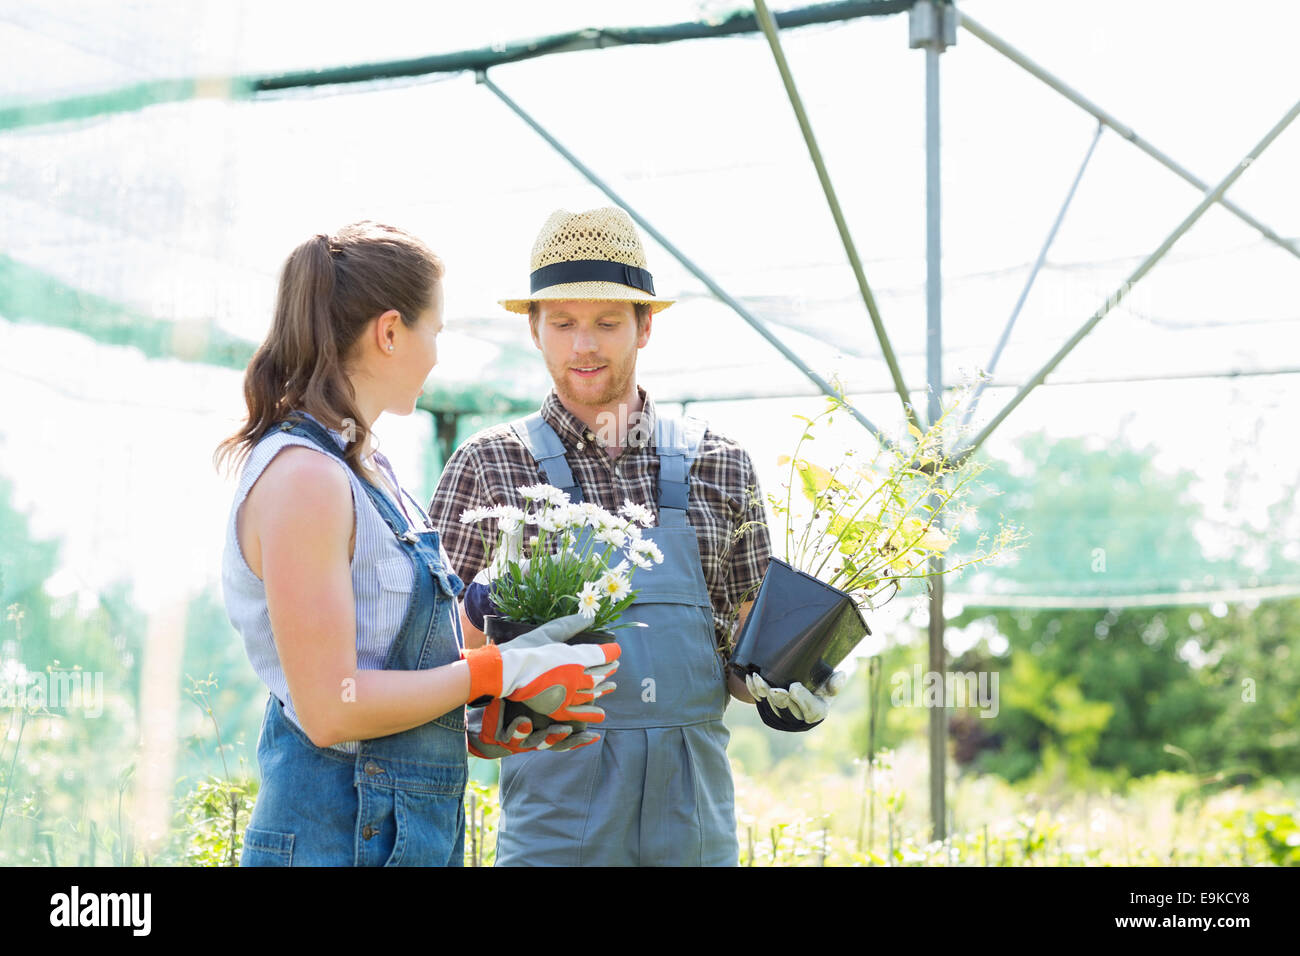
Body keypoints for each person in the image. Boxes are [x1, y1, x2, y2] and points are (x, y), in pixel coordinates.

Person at [426, 206, 844, 867]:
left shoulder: (721, 464)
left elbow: (742, 651)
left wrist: (790, 685)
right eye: (562, 323)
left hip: (693, 821)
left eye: (607, 323)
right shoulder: (489, 466)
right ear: (534, 329)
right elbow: (433, 660)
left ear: (645, 326)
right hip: (554, 828)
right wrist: (495, 665)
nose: (583, 346)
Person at [215, 221, 621, 867]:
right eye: (436, 331)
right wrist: (495, 671)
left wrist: (492, 704)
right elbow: (330, 708)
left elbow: (385, 666)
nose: (436, 353)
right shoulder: (305, 480)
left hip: (398, 833)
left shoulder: (366, 471)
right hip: (336, 838)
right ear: (389, 331)